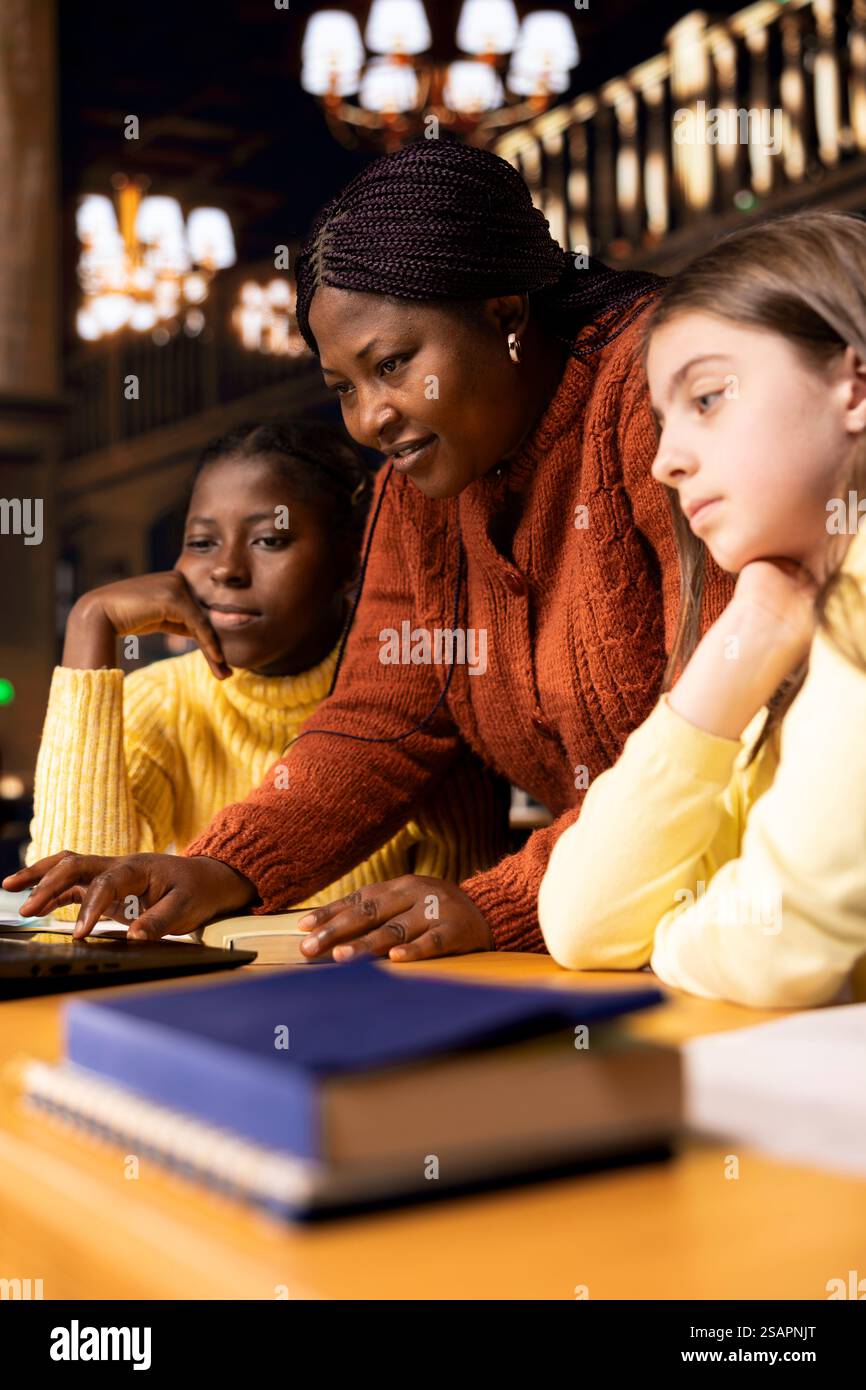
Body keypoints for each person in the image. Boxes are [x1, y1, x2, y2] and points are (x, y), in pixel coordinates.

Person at [7, 138, 732, 952]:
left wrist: (502, 902)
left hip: (742, 914)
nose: (369, 419)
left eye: (393, 364)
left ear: (505, 314)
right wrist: (220, 868)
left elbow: (724, 737)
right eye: (344, 388)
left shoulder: (649, 399)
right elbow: (378, 724)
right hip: (616, 927)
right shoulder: (420, 485)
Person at [539, 210, 866, 1008]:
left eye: (709, 398)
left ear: (854, 387)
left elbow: (788, 939)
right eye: (663, 418)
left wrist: (669, 936)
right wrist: (745, 642)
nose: (664, 460)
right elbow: (581, 922)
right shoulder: (792, 618)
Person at [20, 418, 504, 923]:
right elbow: (65, 909)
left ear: (354, 561)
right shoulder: (159, 701)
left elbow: (458, 938)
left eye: (269, 541)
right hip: (200, 1002)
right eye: (202, 542)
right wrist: (89, 625)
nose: (227, 569)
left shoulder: (423, 713)